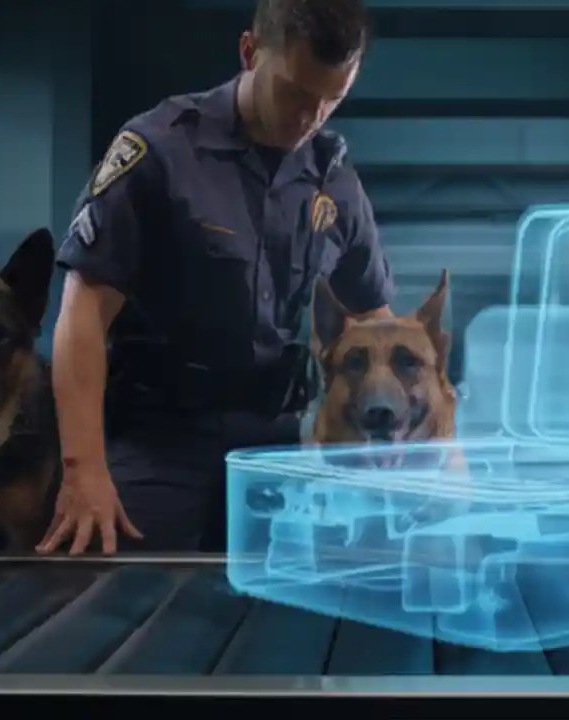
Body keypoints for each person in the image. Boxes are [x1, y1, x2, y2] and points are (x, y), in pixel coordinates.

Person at [38, 0, 394, 555]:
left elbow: (375, 321)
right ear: (250, 51)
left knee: (277, 619)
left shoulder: (335, 181)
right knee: (124, 604)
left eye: (331, 101)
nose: (309, 120)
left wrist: (391, 424)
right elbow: (82, 312)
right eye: (296, 94)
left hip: (273, 443)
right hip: (161, 438)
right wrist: (83, 470)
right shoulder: (159, 151)